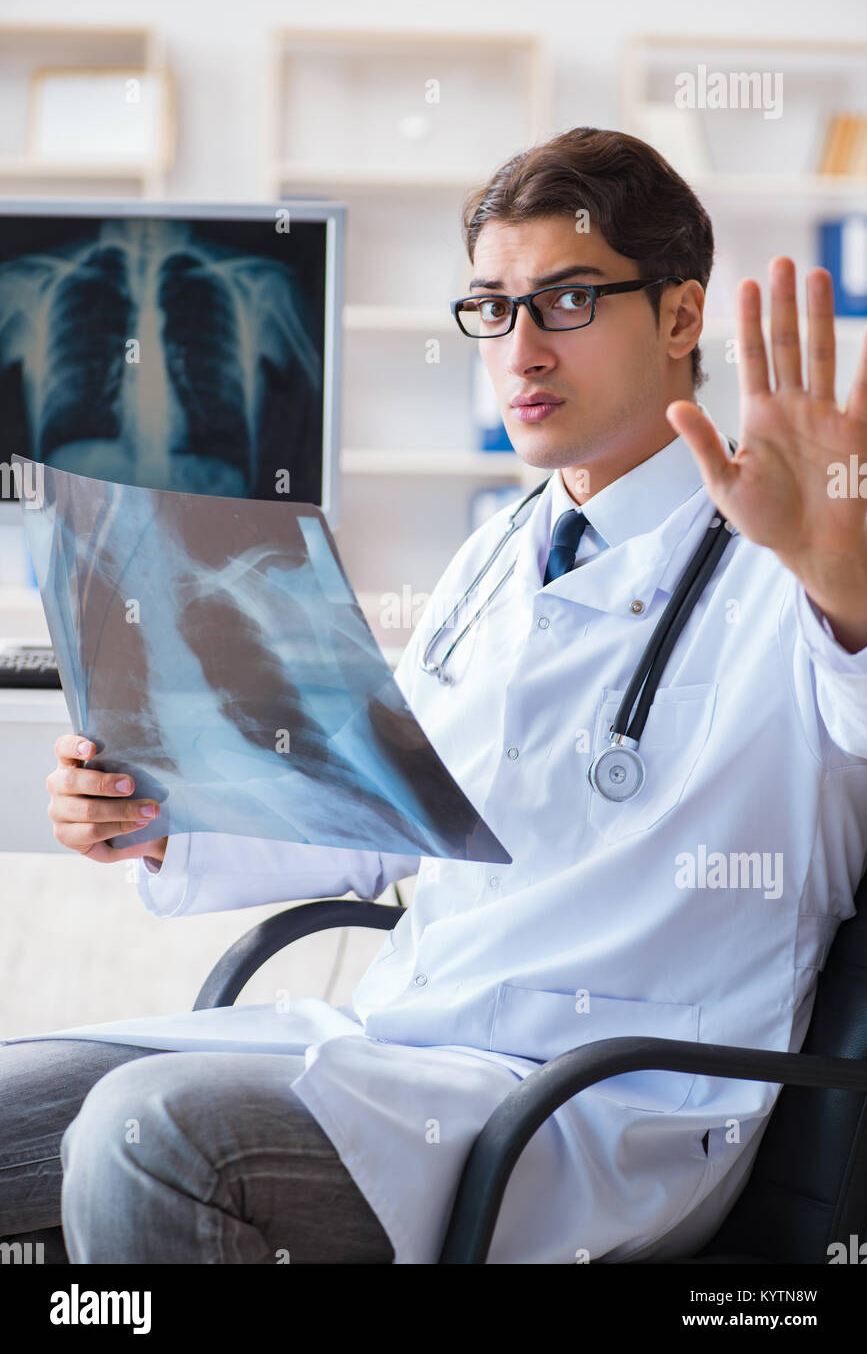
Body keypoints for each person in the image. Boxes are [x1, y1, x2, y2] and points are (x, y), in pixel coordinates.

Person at [3, 126, 867, 1266]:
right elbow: (384, 812)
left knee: (151, 1133)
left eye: (564, 301)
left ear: (678, 317)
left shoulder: (800, 565)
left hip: (610, 1104)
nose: (520, 350)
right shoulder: (495, 553)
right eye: (492, 309)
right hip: (407, 1044)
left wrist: (846, 583)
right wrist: (151, 812)